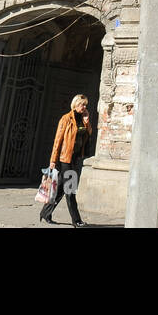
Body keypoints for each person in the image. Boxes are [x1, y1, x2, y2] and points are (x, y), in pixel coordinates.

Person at [40, 94, 92, 226]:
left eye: (85, 104)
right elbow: (58, 140)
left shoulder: (83, 119)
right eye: (82, 104)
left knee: (62, 189)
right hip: (65, 159)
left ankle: (45, 213)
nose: (84, 107)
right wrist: (53, 160)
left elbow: (89, 134)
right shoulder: (66, 119)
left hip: (75, 158)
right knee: (71, 190)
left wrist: (87, 122)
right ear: (75, 104)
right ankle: (77, 221)